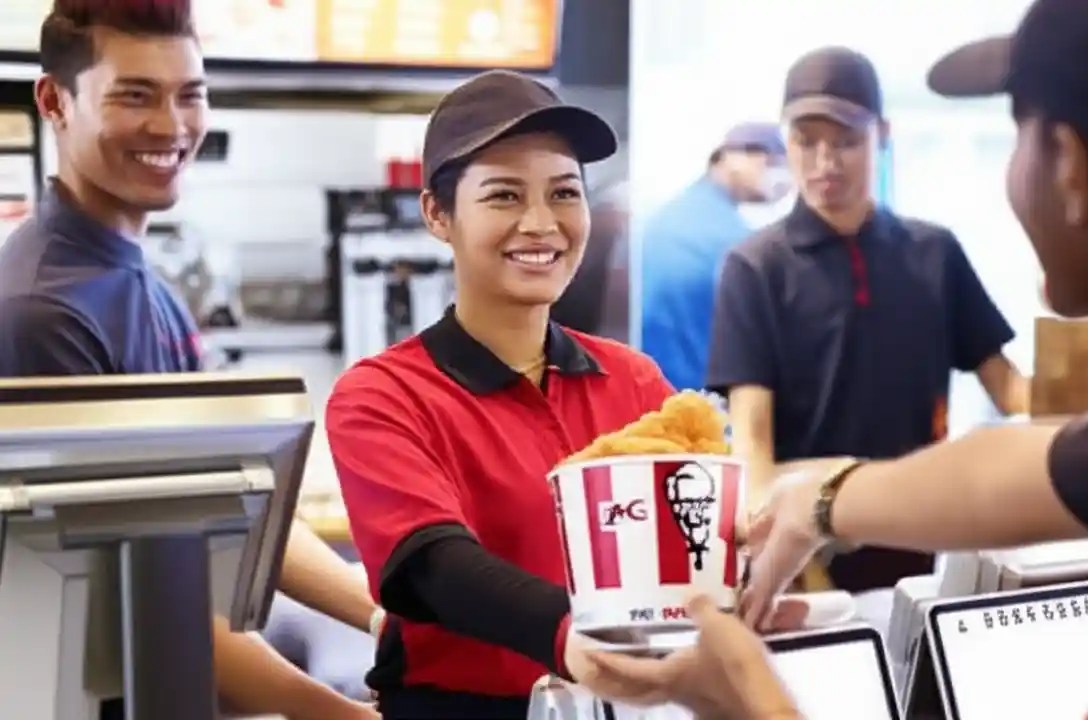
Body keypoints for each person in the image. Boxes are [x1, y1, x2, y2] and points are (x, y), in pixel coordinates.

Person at [585, 0, 1088, 717]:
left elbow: (1018, 401)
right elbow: (1046, 464)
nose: (825, 162)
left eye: (1018, 131)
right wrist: (820, 505)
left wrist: (746, 700)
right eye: (805, 139)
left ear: (1074, 166)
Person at [0, 2, 377, 718]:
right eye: (134, 96)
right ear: (55, 101)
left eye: (190, 95)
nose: (171, 126)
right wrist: (346, 715)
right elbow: (146, 597)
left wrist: (386, 615)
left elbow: (234, 506)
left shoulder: (137, 278)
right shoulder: (46, 311)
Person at [324, 70, 678, 719]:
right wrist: (573, 636)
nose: (541, 224)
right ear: (438, 214)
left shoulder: (633, 380)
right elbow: (433, 566)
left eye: (564, 193)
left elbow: (681, 552)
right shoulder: (383, 395)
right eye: (504, 196)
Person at [706, 47, 1028, 596]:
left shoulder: (934, 253)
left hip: (917, 539)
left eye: (846, 141)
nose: (825, 163)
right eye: (807, 142)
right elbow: (751, 444)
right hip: (808, 559)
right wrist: (785, 562)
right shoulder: (756, 267)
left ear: (882, 133)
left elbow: (1010, 389)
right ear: (787, 140)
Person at [640, 122, 788, 391]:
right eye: (772, 163)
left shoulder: (672, 214)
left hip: (655, 390)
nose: (781, 178)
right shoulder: (732, 238)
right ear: (730, 157)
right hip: (697, 398)